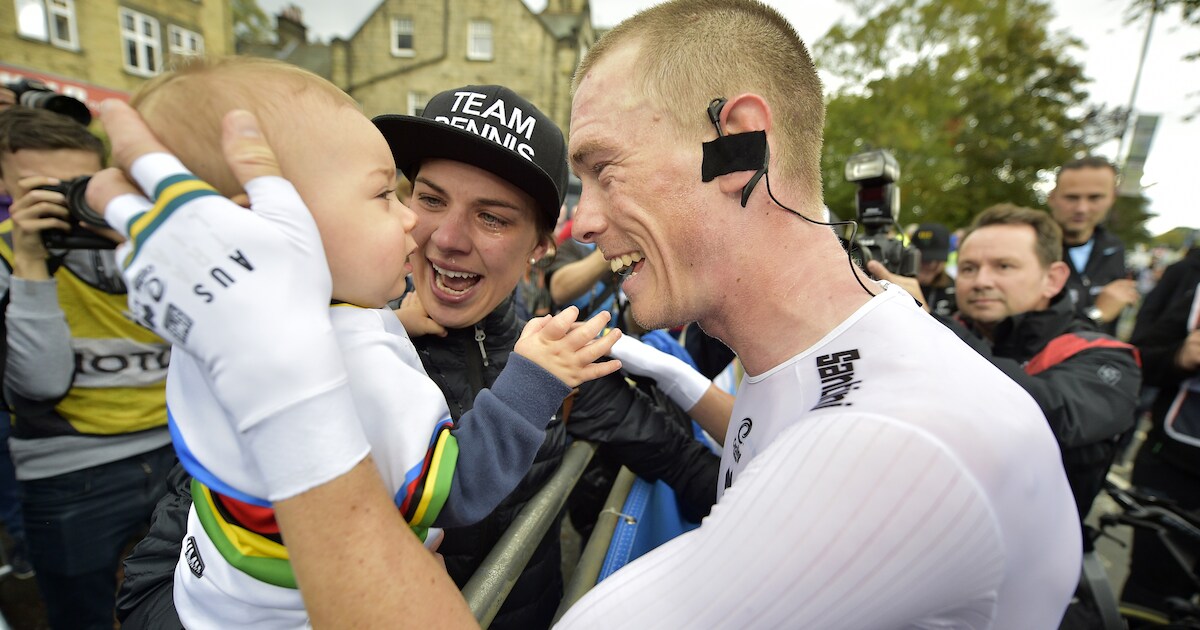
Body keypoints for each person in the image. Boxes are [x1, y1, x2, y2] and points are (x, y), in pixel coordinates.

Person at [86, 1, 1081, 626]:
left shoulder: (889, 444)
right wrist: (687, 383)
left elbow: (861, 458)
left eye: (601, 174)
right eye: (415, 194)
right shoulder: (825, 363)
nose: (586, 225)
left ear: (737, 146)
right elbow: (777, 440)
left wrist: (287, 389)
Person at [116, 82, 720, 630]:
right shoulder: (307, 340)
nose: (446, 237)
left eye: (491, 216)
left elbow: (697, 475)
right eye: (429, 198)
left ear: (540, 245)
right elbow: (151, 583)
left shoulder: (560, 361)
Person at [0, 107, 175, 628]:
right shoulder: (9, 255)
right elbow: (40, 384)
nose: (68, 204)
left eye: (81, 186)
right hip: (70, 470)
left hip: (173, 450)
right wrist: (33, 266)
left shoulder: (141, 235)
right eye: (44, 190)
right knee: (82, 616)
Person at [950, 203, 1140, 519]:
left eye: (1004, 267)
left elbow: (1047, 414)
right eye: (968, 268)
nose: (981, 281)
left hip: (1038, 550)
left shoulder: (1106, 356)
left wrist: (929, 326)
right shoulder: (949, 328)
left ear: (1053, 278)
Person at [1121, 237, 1200, 611]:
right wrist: (1180, 357)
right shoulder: (1186, 274)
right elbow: (1136, 356)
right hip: (1173, 470)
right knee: (1154, 600)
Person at [1048, 156, 1139, 335]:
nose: (1082, 208)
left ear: (1112, 197)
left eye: (1095, 198)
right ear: (1052, 198)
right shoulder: (1029, 248)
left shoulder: (1114, 248)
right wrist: (1096, 315)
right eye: (1071, 197)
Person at [912, 221, 957, 317]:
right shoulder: (895, 287)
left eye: (935, 260)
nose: (929, 266)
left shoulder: (954, 291)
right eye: (922, 260)